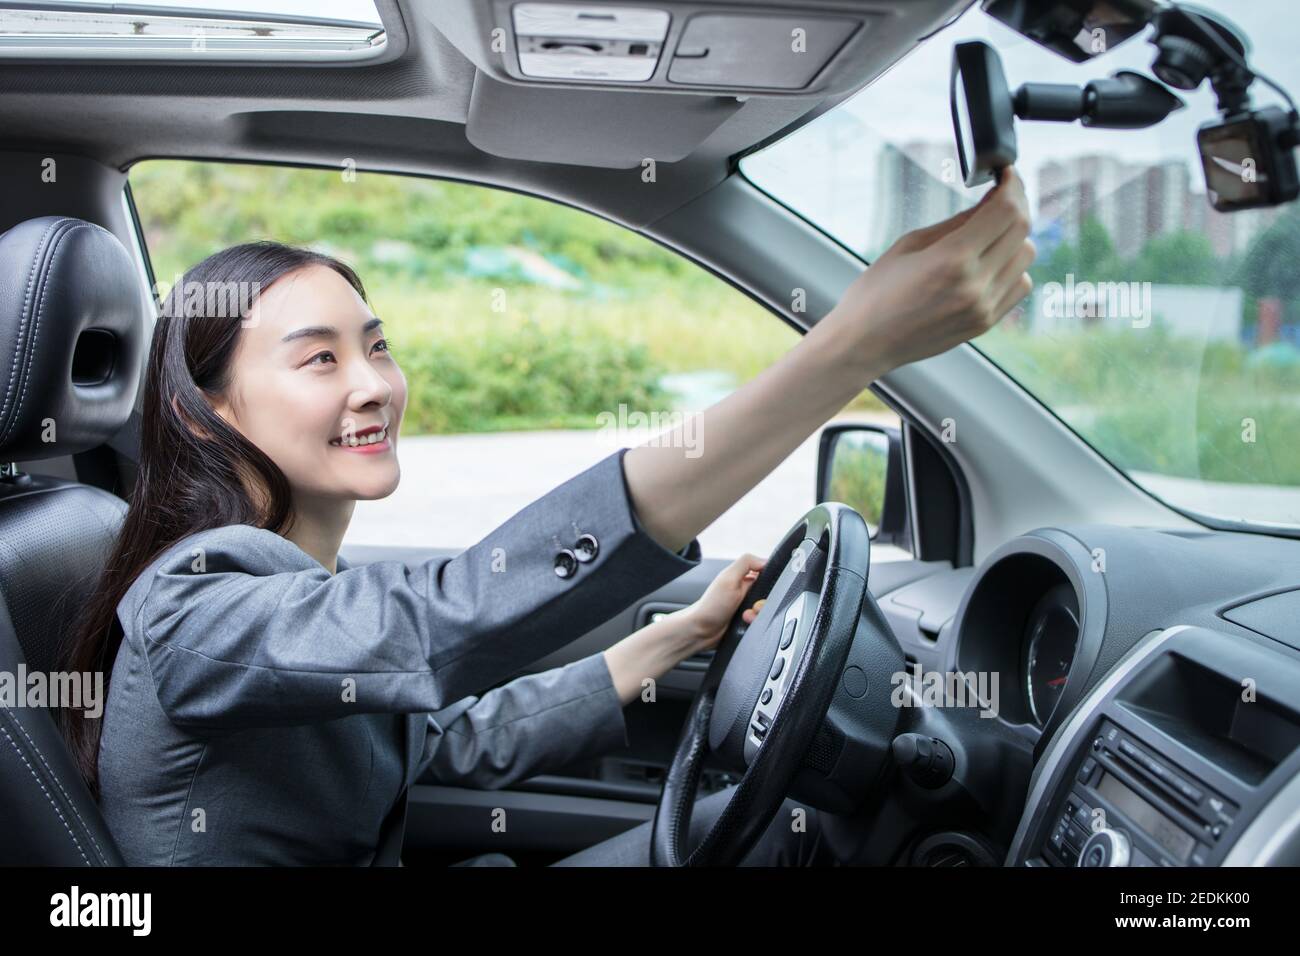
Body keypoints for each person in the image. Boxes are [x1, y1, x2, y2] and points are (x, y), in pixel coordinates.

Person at [59, 168, 1034, 865]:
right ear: (207, 407)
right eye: (319, 358)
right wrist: (848, 349)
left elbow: (452, 738)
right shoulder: (191, 604)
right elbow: (445, 622)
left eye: (378, 345)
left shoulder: (289, 600)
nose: (374, 385)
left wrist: (682, 634)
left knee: (761, 827)